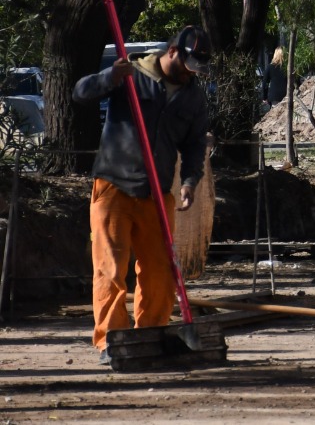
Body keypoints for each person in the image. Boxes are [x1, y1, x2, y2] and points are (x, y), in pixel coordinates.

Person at [73, 25, 211, 365]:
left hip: (156, 193)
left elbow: (194, 145)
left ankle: (150, 335)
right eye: (187, 65)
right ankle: (111, 341)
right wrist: (110, 77)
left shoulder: (193, 97)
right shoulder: (131, 75)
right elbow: (80, 92)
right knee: (110, 268)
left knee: (160, 271)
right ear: (172, 51)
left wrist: (189, 181)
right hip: (113, 186)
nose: (190, 73)